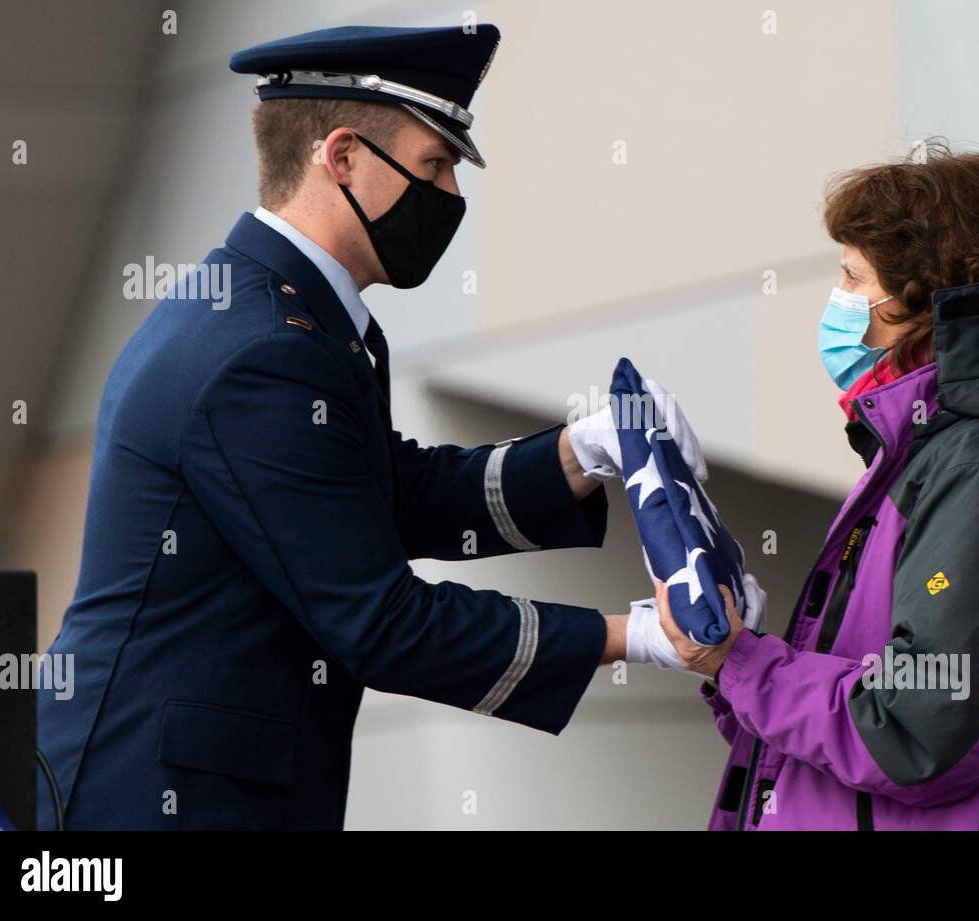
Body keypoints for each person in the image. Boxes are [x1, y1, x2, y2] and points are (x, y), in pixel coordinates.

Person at [35, 24, 700, 830]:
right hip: (149, 802)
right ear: (342, 156)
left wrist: (580, 451)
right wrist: (634, 635)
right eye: (435, 163)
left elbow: (392, 493)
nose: (452, 196)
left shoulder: (287, 317)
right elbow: (382, 623)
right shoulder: (262, 351)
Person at [658, 143, 979, 830]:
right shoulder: (935, 455)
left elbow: (913, 726)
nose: (838, 303)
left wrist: (743, 663)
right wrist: (737, 665)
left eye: (852, 278)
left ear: (928, 303)